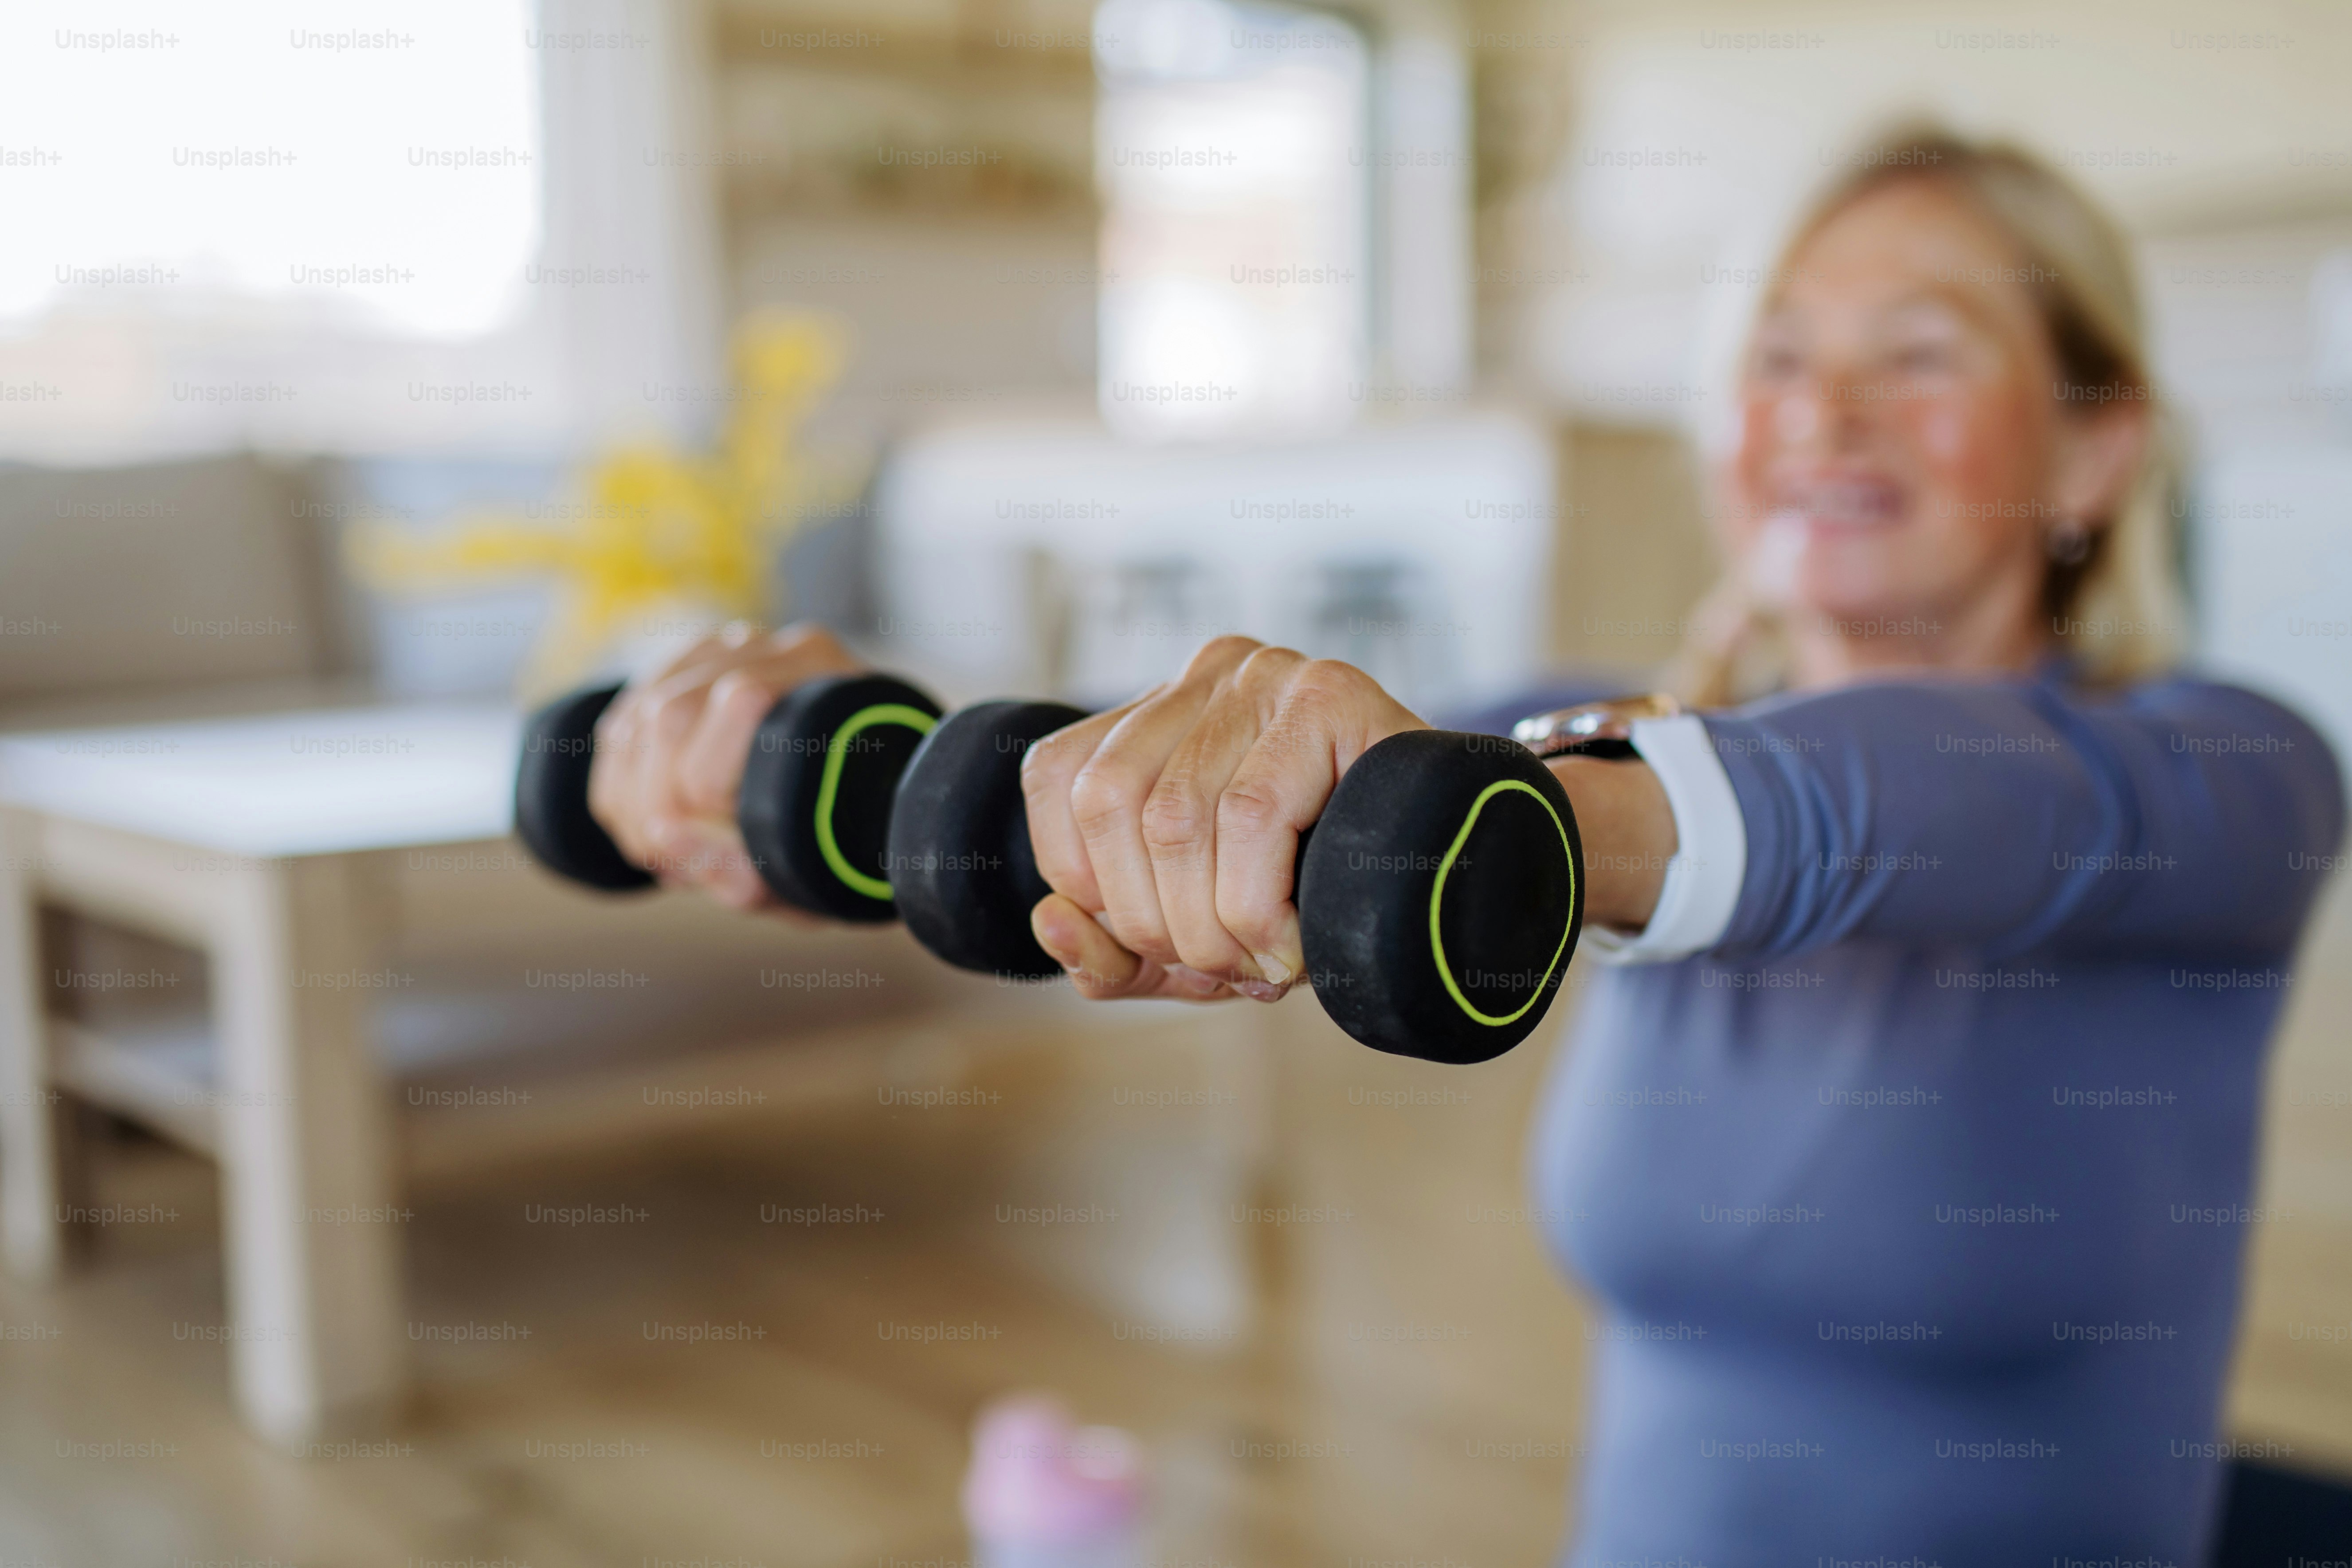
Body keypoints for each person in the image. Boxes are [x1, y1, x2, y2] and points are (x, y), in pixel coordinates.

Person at [584, 129, 2344, 1563]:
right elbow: (1242, 753)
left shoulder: (2228, 781)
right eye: (1780, 355)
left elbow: (1957, 796)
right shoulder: (1571, 723)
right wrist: (859, 761)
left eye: (1921, 355)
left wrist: (1564, 822)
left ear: (2096, 448)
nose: (1822, 411)